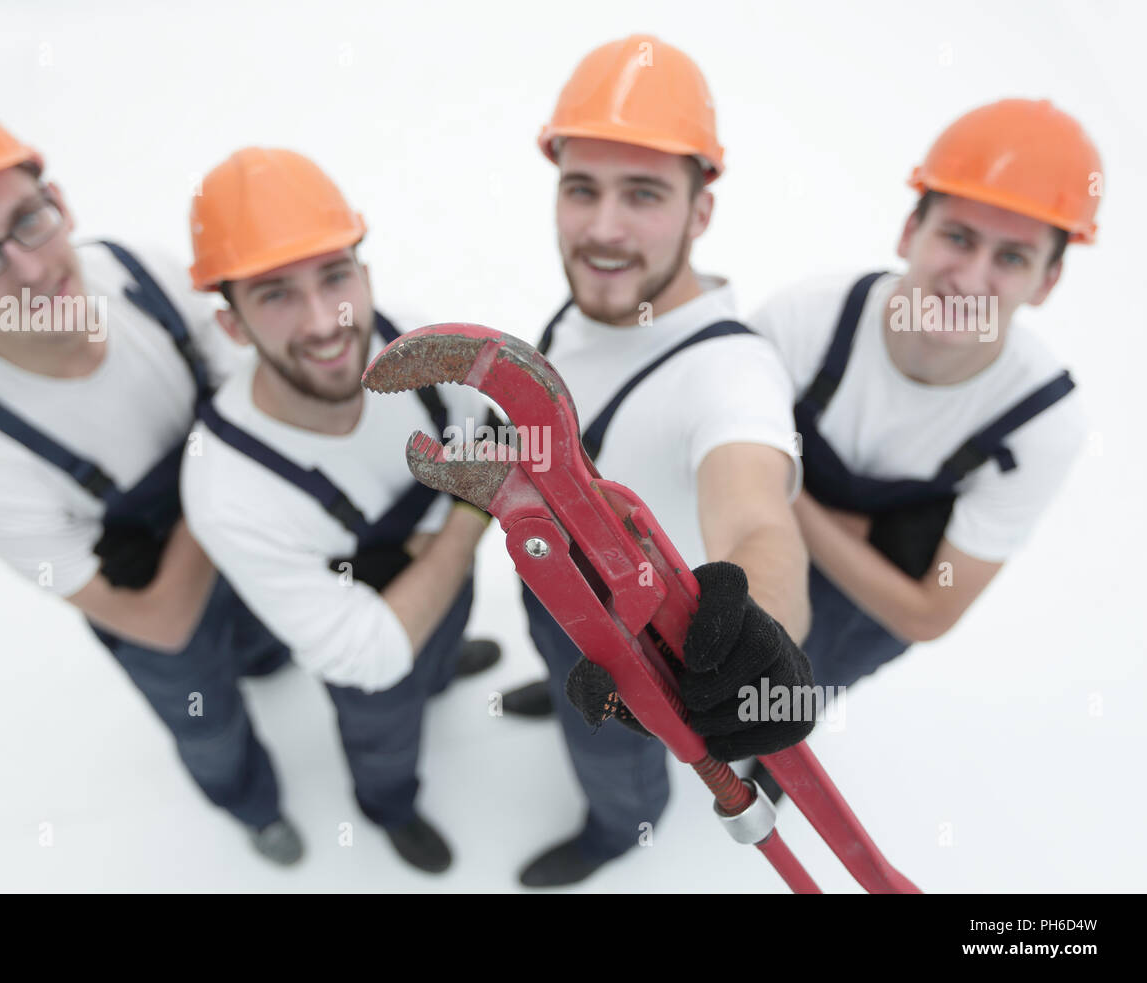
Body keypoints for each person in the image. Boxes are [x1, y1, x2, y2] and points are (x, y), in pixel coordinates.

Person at [0, 88, 303, 865]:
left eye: (29, 218)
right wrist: (220, 462)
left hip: (247, 537)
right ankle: (251, 803)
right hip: (168, 615)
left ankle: (267, 655)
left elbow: (261, 396)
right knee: (208, 719)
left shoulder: (138, 273)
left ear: (58, 199)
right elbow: (155, 619)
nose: (33, 267)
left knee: (270, 630)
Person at [500, 35, 815, 887]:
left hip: (650, 650)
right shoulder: (592, 307)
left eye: (643, 194)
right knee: (560, 673)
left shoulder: (730, 368)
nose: (604, 230)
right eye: (582, 190)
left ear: (700, 210)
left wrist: (764, 633)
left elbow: (756, 515)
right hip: (559, 595)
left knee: (616, 759)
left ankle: (616, 830)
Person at [746, 99, 1097, 801]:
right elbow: (705, 457)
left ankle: (767, 765)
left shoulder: (1040, 424)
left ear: (1047, 281)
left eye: (1012, 257)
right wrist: (850, 534)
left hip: (853, 618)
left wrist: (790, 495)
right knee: (675, 644)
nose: (969, 277)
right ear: (911, 230)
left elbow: (925, 613)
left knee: (783, 706)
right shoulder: (806, 320)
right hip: (748, 538)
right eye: (957, 237)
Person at [179, 147, 500, 874]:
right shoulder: (227, 486)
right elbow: (369, 653)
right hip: (368, 647)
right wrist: (466, 520)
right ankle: (390, 808)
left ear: (366, 273)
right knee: (384, 727)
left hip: (438, 586)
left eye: (335, 277)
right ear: (233, 326)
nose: (326, 322)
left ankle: (445, 670)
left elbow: (484, 429)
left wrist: (439, 559)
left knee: (441, 646)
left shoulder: (426, 349)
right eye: (275, 295)